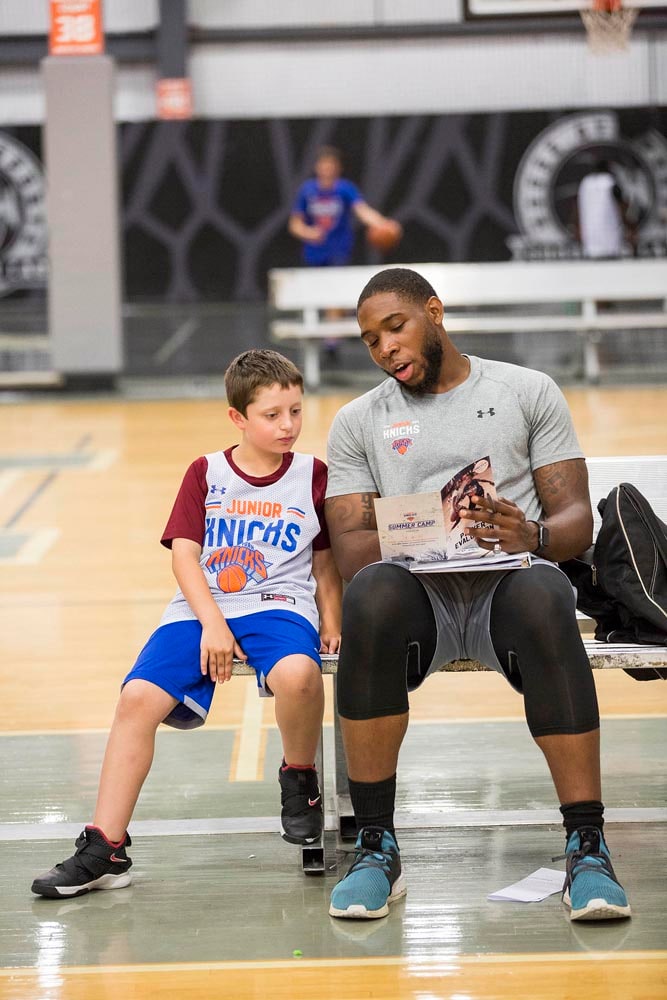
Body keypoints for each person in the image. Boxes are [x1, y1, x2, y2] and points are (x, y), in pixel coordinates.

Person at [324, 267, 631, 923]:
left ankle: (586, 845)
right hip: (417, 602)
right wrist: (435, 520)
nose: (385, 350)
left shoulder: (525, 390)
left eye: (395, 328)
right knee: (371, 593)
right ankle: (376, 847)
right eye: (370, 341)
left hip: (507, 596)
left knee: (546, 592)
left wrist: (532, 531)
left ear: (433, 313)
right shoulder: (358, 421)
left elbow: (574, 520)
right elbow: (350, 551)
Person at [31, 350, 342, 899]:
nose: (288, 425)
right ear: (237, 418)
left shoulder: (312, 474)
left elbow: (323, 563)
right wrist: (213, 624)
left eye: (295, 410)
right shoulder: (206, 472)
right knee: (136, 699)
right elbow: (183, 557)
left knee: (299, 676)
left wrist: (332, 617)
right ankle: (106, 844)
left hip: (279, 604)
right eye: (272, 414)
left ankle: (300, 781)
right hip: (202, 606)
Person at [288, 146, 399, 353]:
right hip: (314, 253)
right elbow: (295, 224)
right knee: (318, 295)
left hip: (338, 250)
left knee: (333, 292)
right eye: (324, 165)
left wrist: (382, 224)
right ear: (317, 167)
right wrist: (309, 232)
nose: (327, 169)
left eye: (331, 165)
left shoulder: (344, 189)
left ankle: (332, 340)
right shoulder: (308, 190)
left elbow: (362, 210)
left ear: (337, 168)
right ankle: (336, 327)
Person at [577, 159, 633, 259]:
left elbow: (577, 208)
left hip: (590, 238)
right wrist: (628, 224)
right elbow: (622, 206)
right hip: (610, 237)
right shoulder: (609, 182)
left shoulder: (585, 183)